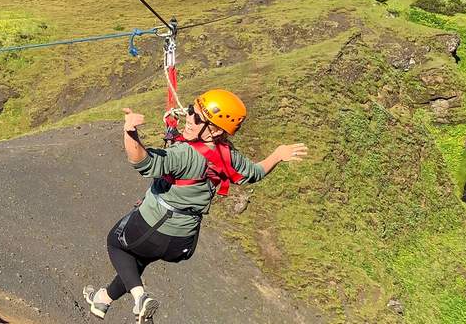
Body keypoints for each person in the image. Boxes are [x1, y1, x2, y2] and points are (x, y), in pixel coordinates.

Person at [82, 89, 307, 322]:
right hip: (182, 241)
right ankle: (102, 299)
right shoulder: (228, 155)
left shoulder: (184, 154)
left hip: (154, 225)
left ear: (216, 130)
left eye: (197, 117)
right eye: (191, 110)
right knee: (138, 259)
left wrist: (130, 131)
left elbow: (143, 161)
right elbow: (254, 173)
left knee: (116, 243)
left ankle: (140, 297)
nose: (189, 118)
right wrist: (278, 154)